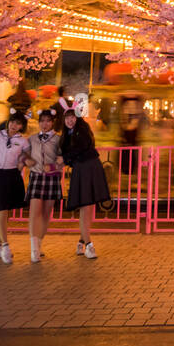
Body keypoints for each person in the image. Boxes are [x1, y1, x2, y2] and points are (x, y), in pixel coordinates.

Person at [61, 108, 110, 258]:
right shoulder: (66, 135)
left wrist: (66, 158)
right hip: (81, 169)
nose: (70, 120)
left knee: (88, 207)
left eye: (72, 117)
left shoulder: (82, 130)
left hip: (90, 166)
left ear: (77, 118)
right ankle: (87, 243)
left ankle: (84, 242)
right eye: (67, 118)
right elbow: (67, 152)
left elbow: (81, 147)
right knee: (85, 206)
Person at [0, 113, 29, 264]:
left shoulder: (23, 141)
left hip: (13, 176)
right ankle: (6, 247)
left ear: (22, 126)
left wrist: (23, 162)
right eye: (12, 122)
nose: (14, 125)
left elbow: (26, 156)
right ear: (8, 122)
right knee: (2, 212)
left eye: (18, 123)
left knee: (4, 214)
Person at [26, 109, 63, 263]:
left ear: (52, 122)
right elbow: (24, 154)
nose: (45, 124)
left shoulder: (58, 139)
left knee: (46, 214)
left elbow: (62, 160)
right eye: (42, 121)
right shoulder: (32, 138)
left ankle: (39, 245)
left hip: (52, 178)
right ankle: (34, 248)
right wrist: (25, 160)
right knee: (34, 212)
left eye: (48, 121)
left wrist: (53, 167)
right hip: (36, 176)